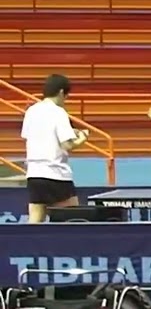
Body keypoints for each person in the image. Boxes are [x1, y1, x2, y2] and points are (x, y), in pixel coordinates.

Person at [21, 74, 89, 223]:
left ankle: (25, 246)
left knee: (35, 219)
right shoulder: (59, 112)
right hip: (56, 174)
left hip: (34, 174)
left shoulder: (31, 111)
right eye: (66, 95)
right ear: (60, 92)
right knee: (73, 218)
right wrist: (82, 139)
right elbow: (67, 145)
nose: (66, 99)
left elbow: (31, 135)